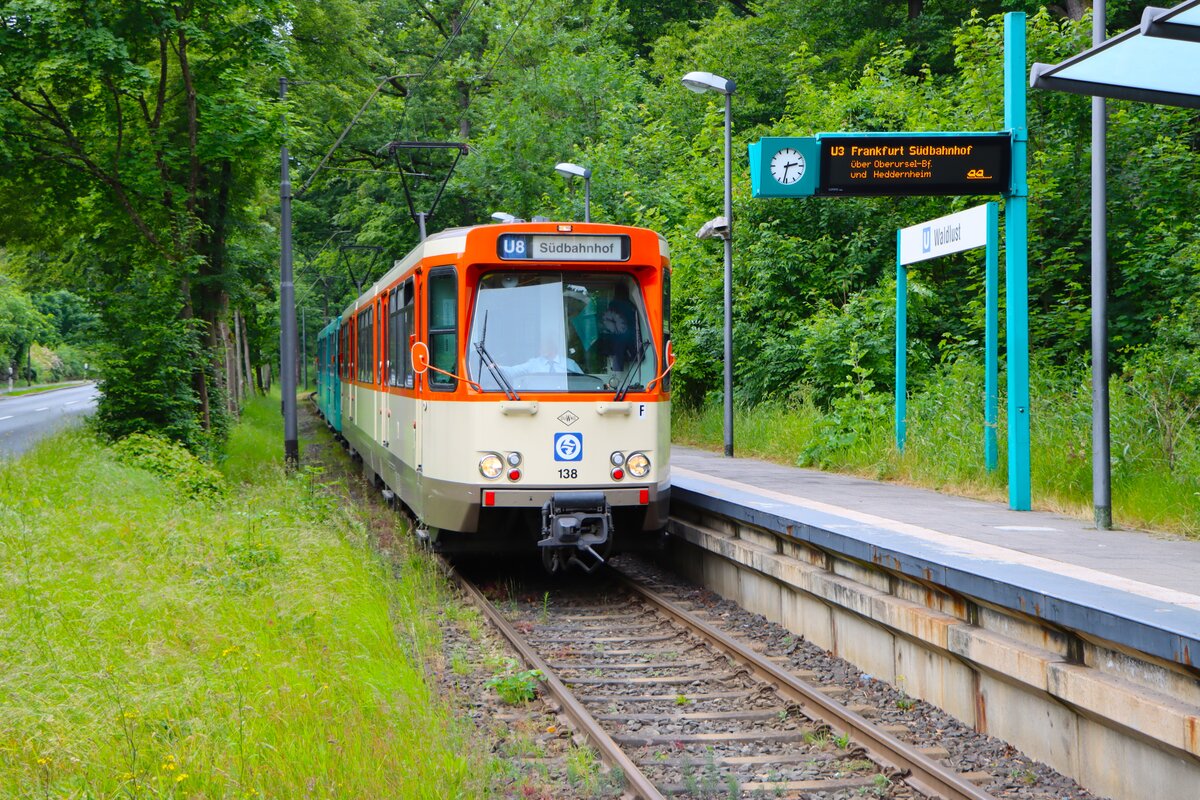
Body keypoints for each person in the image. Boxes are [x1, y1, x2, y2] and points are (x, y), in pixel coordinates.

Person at [505, 335, 583, 377]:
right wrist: (496, 367)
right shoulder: (534, 363)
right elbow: (513, 371)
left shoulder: (569, 363)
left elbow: (584, 381)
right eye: (540, 346)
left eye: (544, 345)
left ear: (553, 346)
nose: (540, 348)